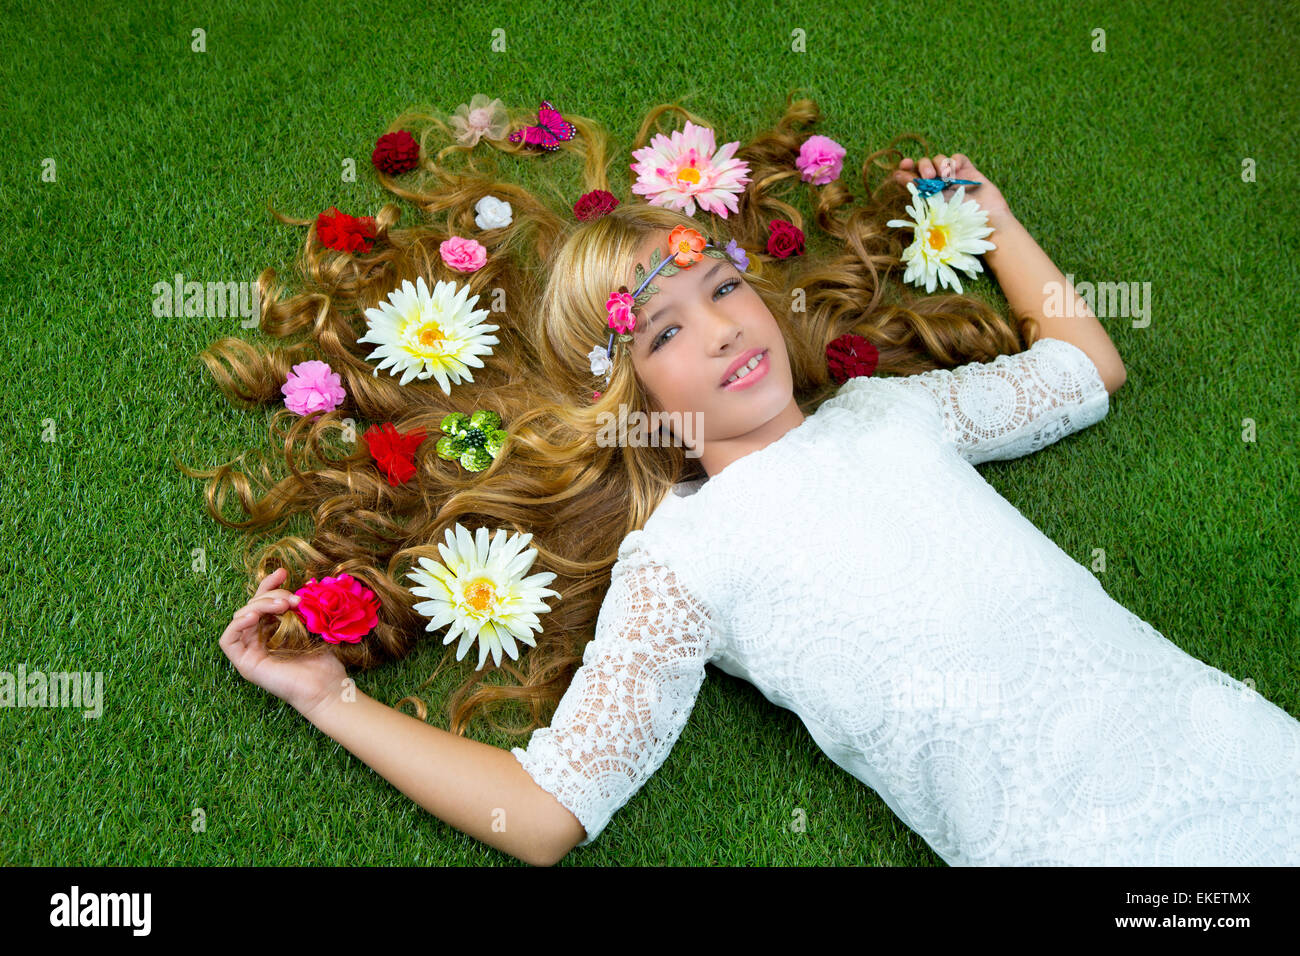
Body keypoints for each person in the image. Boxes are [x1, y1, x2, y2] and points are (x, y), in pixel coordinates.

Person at [192, 94, 1300, 866]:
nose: (725, 327)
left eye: (725, 286)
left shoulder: (887, 411)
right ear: (626, 390)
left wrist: (995, 223)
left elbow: (1081, 368)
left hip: (1238, 751)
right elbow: (541, 812)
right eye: (669, 327)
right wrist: (331, 699)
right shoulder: (681, 556)